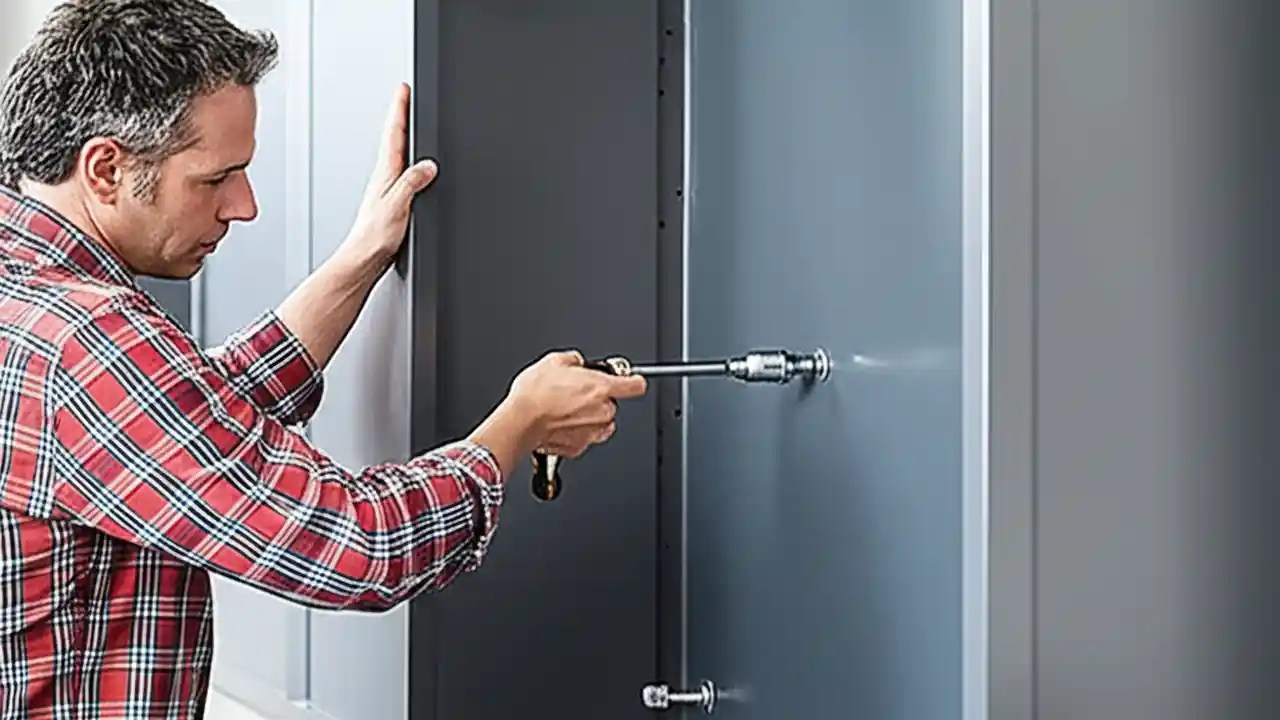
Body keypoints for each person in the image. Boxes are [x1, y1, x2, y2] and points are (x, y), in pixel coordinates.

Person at [0, 0, 648, 717]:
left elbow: (194, 415)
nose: (242, 206)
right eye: (217, 178)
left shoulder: (30, 305)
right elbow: (357, 545)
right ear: (104, 169)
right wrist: (516, 427)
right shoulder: (86, 345)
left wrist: (364, 255)